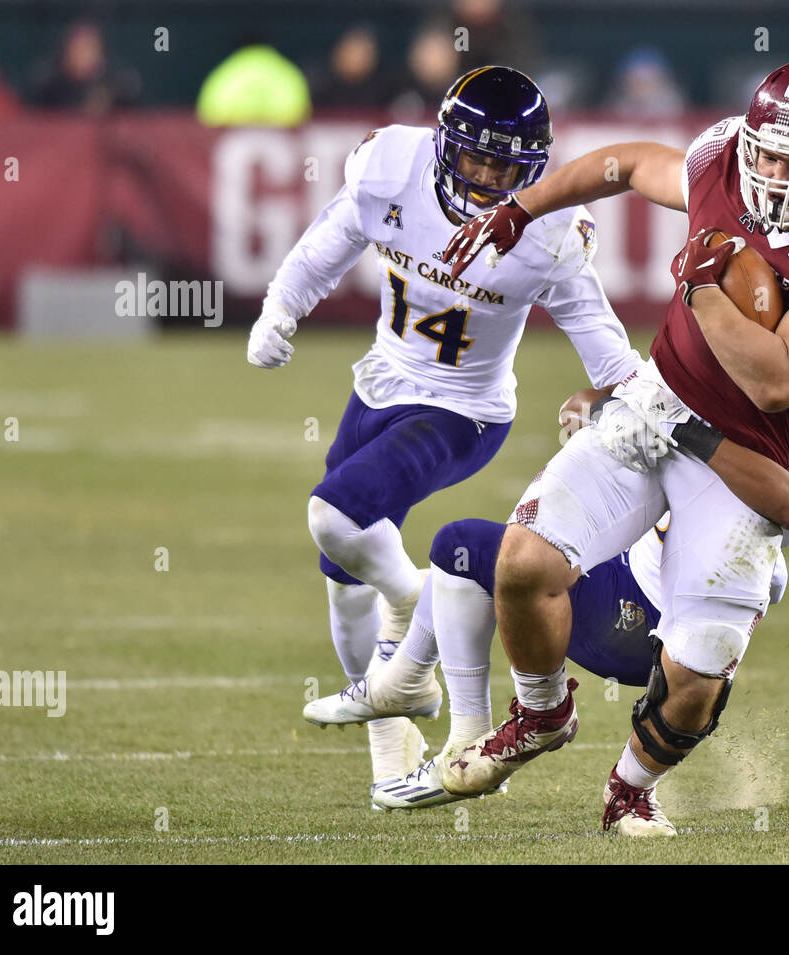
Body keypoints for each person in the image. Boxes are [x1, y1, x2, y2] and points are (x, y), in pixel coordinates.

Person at [435, 59, 789, 835]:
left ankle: (630, 787)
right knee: (524, 560)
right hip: (658, 403)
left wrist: (703, 289)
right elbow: (625, 164)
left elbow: (779, 382)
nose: (777, 174)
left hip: (742, 452)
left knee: (699, 665)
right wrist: (523, 204)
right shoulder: (725, 157)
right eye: (770, 154)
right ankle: (542, 715)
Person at [247, 66, 640, 789]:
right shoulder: (390, 166)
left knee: (334, 517)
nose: (488, 176)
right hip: (378, 384)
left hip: (463, 410)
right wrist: (281, 307)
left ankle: (418, 603)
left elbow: (601, 337)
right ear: (441, 146)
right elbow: (327, 242)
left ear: (534, 168)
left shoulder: (549, 231)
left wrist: (631, 394)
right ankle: (391, 762)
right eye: (475, 157)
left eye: (505, 164)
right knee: (342, 583)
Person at [306, 382, 789, 823]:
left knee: (467, 546)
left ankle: (457, 720)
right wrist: (604, 404)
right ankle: (413, 685)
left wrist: (693, 430)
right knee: (509, 545)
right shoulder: (715, 396)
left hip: (639, 614)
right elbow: (625, 399)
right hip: (662, 618)